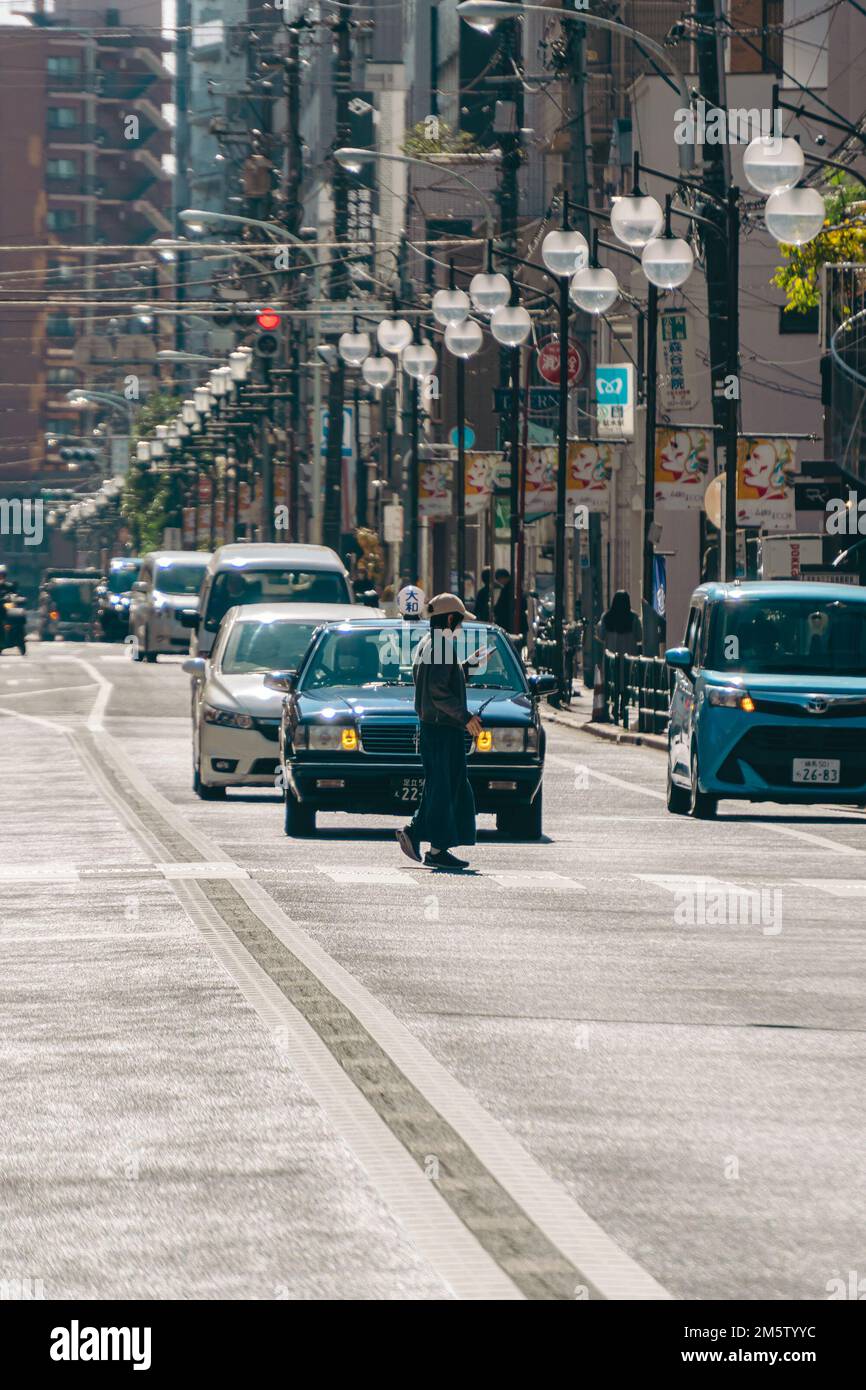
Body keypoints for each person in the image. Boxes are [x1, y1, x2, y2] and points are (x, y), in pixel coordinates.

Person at [397, 593, 482, 872]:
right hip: (443, 728)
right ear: (449, 618)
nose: (460, 626)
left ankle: (431, 844)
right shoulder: (443, 644)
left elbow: (432, 681)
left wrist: (465, 667)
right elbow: (438, 692)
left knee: (441, 787)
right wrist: (466, 716)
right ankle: (431, 845)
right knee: (446, 787)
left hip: (433, 727)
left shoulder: (427, 643)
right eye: (458, 621)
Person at [598, 590, 642, 723]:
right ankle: (623, 708)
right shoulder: (633, 618)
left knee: (611, 682)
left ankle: (613, 707)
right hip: (627, 656)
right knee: (626, 683)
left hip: (611, 655)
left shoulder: (607, 617)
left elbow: (601, 635)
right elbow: (639, 636)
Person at [493, 568, 527, 638]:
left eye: (499, 580)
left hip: (507, 621)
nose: (500, 583)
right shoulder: (514, 586)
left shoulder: (507, 589)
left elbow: (501, 605)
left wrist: (495, 610)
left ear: (502, 578)